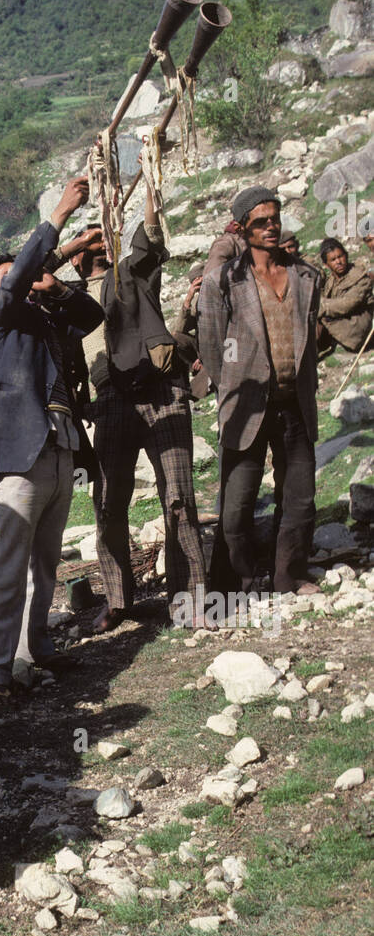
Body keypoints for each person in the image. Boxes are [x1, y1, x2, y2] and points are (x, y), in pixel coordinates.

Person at [0, 176, 105, 708]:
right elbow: (17, 276)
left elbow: (91, 316)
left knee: (44, 560)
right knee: (7, 565)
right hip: (21, 456)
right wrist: (60, 221)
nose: (26, 284)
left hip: (58, 447)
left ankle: (36, 645)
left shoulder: (43, 317)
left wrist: (61, 286)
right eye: (14, 280)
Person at [90, 179, 208, 632]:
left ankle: (191, 599)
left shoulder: (129, 275)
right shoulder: (68, 297)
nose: (98, 245)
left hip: (161, 393)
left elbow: (150, 240)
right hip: (112, 403)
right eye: (91, 241)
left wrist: (149, 180)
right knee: (108, 503)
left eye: (103, 237)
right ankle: (119, 601)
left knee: (178, 496)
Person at [198, 188, 321, 596]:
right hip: (246, 407)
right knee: (236, 506)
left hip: (294, 406)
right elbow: (212, 347)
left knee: (300, 497)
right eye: (261, 221)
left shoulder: (306, 276)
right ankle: (241, 581)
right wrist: (232, 388)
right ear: (241, 228)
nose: (271, 226)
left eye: (275, 218)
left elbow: (311, 340)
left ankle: (291, 576)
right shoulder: (223, 281)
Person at [316, 238, 374, 354]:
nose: (338, 262)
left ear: (346, 256)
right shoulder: (331, 281)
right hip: (341, 322)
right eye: (333, 260)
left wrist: (319, 305)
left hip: (356, 326)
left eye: (340, 256)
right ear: (326, 264)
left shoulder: (360, 277)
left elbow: (347, 304)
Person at [170, 263, 210, 400]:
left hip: (218, 350)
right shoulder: (198, 301)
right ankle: (196, 371)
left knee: (193, 391)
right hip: (202, 350)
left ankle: (197, 386)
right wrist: (188, 299)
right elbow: (179, 330)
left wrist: (204, 357)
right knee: (174, 339)